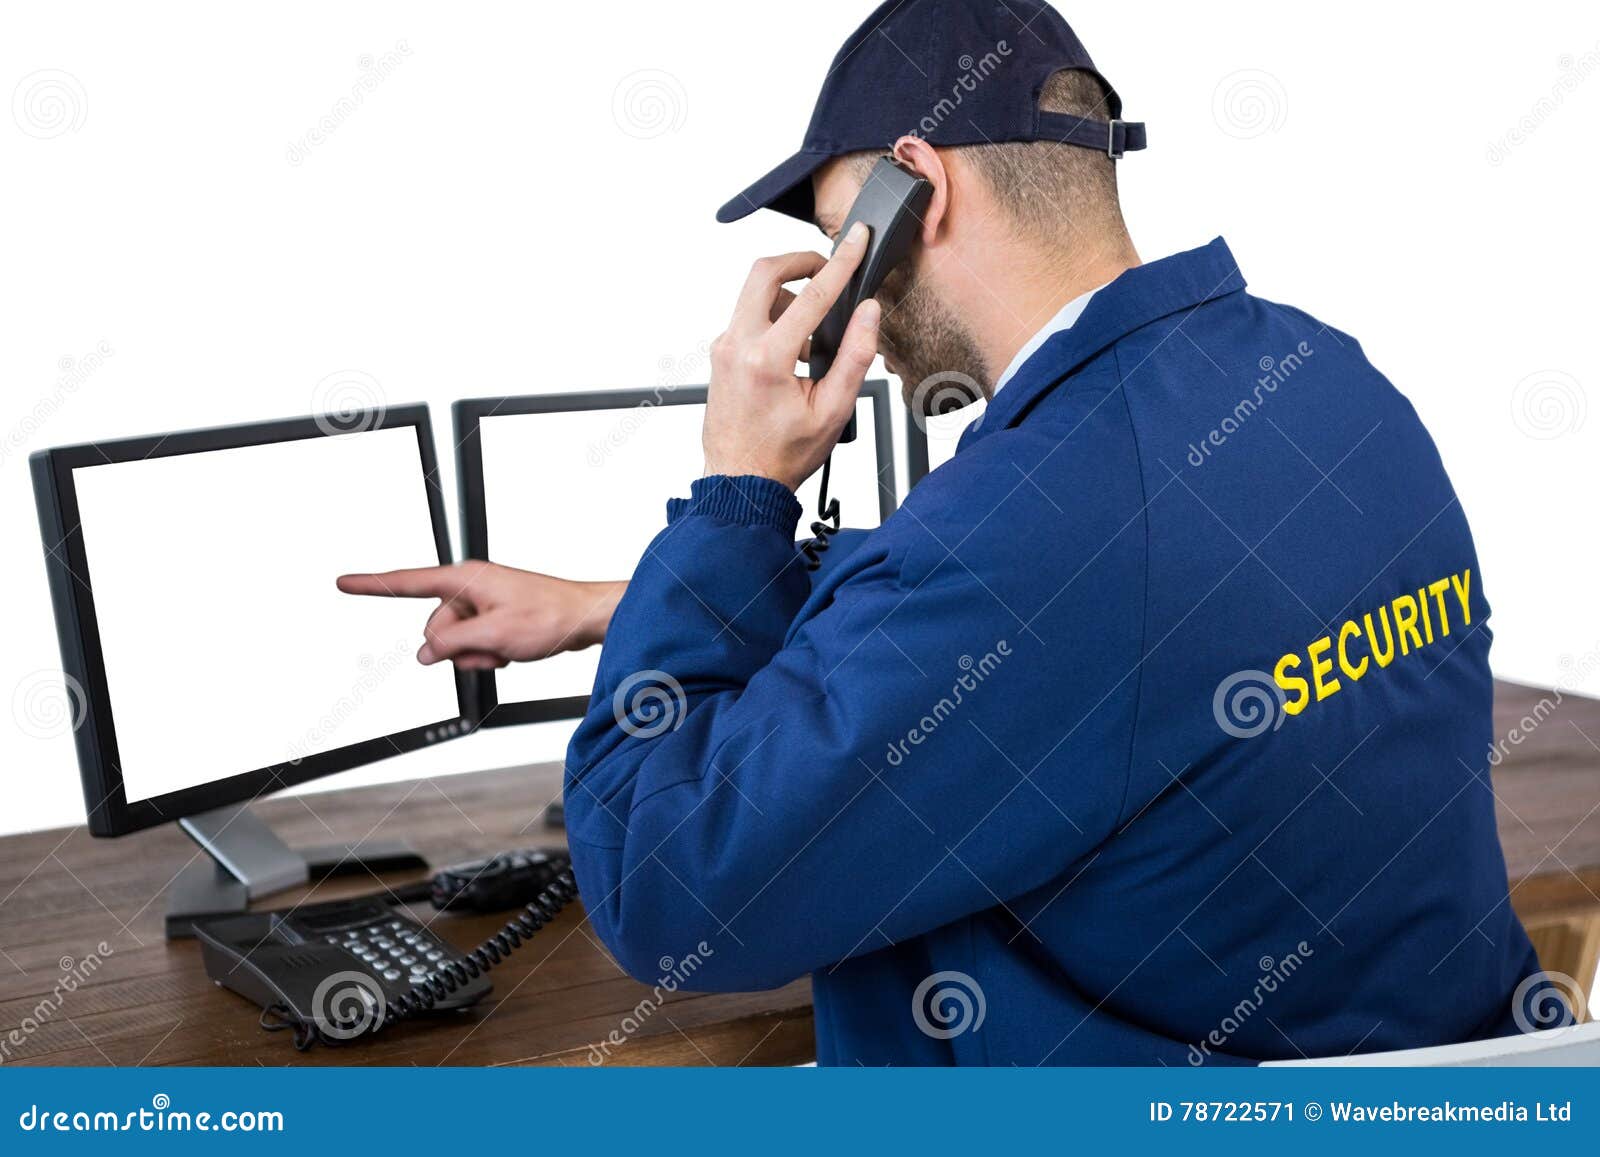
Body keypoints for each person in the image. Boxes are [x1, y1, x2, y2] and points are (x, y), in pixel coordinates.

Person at [339, 0, 1557, 1064]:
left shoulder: (1029, 523)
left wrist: (736, 493)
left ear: (918, 186)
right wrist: (618, 603)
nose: (836, 284)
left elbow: (665, 893)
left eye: (836, 237)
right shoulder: (1317, 374)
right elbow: (1111, 615)